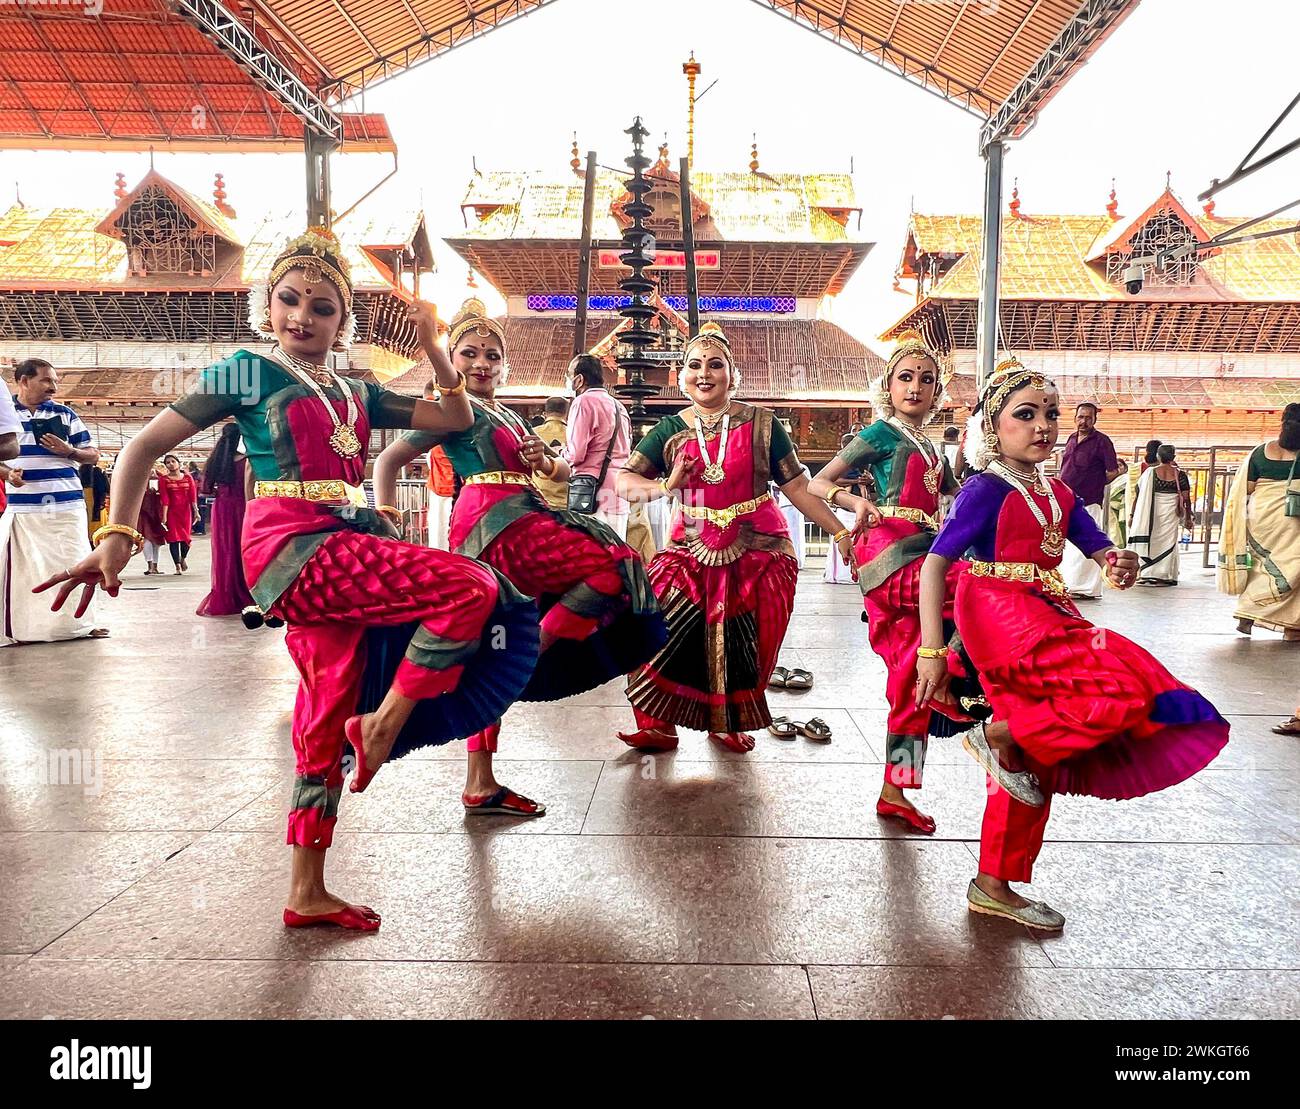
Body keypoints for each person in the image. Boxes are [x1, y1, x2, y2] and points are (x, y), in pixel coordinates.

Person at [39, 227, 541, 932]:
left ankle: (307, 886)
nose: (303, 316)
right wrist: (118, 536)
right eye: (289, 300)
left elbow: (453, 414)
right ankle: (386, 724)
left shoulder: (356, 389)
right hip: (291, 548)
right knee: (473, 588)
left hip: (344, 537)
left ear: (344, 320)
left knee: (324, 707)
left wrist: (432, 345)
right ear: (266, 303)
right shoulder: (248, 369)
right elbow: (147, 447)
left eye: (323, 307)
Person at [917, 359, 1228, 929]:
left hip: (1043, 610)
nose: (1043, 425)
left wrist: (1116, 559)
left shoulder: (1055, 490)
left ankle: (993, 882)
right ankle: (992, 736)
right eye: (1026, 414)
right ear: (992, 425)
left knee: (1030, 759)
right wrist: (932, 652)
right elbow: (935, 565)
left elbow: (1093, 542)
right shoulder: (984, 489)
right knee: (1118, 690)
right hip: (998, 614)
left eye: (1050, 415)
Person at [373, 298, 666, 815]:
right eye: (469, 354)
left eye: (491, 355)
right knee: (614, 560)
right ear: (453, 359)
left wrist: (545, 460)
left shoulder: (507, 414)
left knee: (491, 650)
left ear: (505, 365)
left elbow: (555, 473)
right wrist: (387, 510)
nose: (481, 363)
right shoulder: (453, 411)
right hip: (494, 522)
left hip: (524, 511)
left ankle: (480, 779)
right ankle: (536, 648)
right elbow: (391, 457)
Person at [615, 321, 866, 753]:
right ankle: (658, 724)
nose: (704, 373)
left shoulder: (763, 425)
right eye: (694, 365)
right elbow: (624, 480)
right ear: (681, 375)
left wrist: (839, 530)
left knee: (745, 639)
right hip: (688, 541)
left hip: (759, 544)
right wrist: (665, 487)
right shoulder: (668, 430)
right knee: (652, 623)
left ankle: (727, 722)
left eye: (716, 365)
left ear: (734, 375)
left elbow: (798, 488)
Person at [807, 330, 964, 833]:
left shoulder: (932, 447)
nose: (915, 387)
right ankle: (967, 688)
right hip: (889, 553)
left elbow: (957, 497)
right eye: (905, 378)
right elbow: (818, 482)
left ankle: (896, 789)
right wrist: (853, 503)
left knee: (908, 681)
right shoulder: (879, 434)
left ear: (937, 391)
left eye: (926, 380)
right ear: (888, 385)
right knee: (981, 587)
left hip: (926, 548)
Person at [0, 359, 108, 644]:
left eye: (55, 381)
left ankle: (81, 624)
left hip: (67, 506)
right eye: (47, 380)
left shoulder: (65, 414)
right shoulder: (6, 415)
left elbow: (93, 454)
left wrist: (69, 450)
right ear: (23, 381)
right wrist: (9, 474)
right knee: (27, 571)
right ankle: (27, 629)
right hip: (24, 507)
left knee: (76, 561)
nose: (53, 387)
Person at [1219, 403, 1300, 641]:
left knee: (1262, 566)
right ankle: (1291, 627)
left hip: (1262, 519)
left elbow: (1247, 489)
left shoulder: (1260, 452)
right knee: (1293, 568)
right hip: (1294, 522)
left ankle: (1247, 615)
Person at [1058, 402, 1127, 599]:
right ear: (1075, 418)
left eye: (1088, 417)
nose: (1084, 421)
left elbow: (1113, 471)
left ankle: (1085, 588)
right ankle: (1070, 584)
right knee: (1070, 547)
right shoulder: (1071, 439)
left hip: (1089, 500)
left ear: (1095, 419)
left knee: (1087, 545)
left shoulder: (1102, 441)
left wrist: (1096, 483)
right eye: (1080, 417)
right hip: (1068, 499)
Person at [563, 354, 630, 539]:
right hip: (619, 492)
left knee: (589, 559)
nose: (568, 380)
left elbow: (576, 453)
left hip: (591, 494)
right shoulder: (619, 407)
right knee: (617, 558)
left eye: (569, 375)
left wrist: (561, 455)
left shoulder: (583, 402)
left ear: (579, 379)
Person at [196, 423, 254, 616]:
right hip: (242, 508)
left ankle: (226, 592)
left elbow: (205, 491)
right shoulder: (246, 461)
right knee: (243, 550)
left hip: (221, 510)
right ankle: (248, 592)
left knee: (224, 551)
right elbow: (251, 488)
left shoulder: (214, 461)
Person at [1129, 443, 1193, 586]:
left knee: (1151, 542)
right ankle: (1163, 575)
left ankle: (1147, 573)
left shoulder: (1149, 473)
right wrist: (1188, 517)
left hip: (1149, 514)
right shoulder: (1180, 474)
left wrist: (1132, 515)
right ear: (1173, 456)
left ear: (1158, 456)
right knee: (1168, 542)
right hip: (1171, 514)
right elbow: (1187, 498)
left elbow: (1138, 496)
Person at [158, 453, 198, 574]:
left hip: (186, 512)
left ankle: (182, 558)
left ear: (178, 463)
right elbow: (165, 499)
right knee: (174, 539)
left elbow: (193, 496)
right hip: (171, 512)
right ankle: (177, 566)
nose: (170, 464)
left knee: (186, 539)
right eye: (168, 463)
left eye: (172, 461)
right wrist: (164, 517)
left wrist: (196, 511)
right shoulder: (163, 480)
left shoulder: (188, 477)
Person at [531, 394, 570, 510]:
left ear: (545, 412)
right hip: (567, 500)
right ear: (567, 413)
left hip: (539, 498)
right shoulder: (574, 435)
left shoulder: (533, 433)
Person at [136, 465, 166, 575]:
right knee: (149, 539)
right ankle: (152, 566)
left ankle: (153, 566)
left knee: (152, 539)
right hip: (147, 513)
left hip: (153, 512)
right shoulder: (146, 477)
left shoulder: (157, 477)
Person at [81, 461, 109, 541]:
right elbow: (107, 489)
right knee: (98, 534)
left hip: (85, 501)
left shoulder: (79, 472)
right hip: (98, 504)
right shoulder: (99, 472)